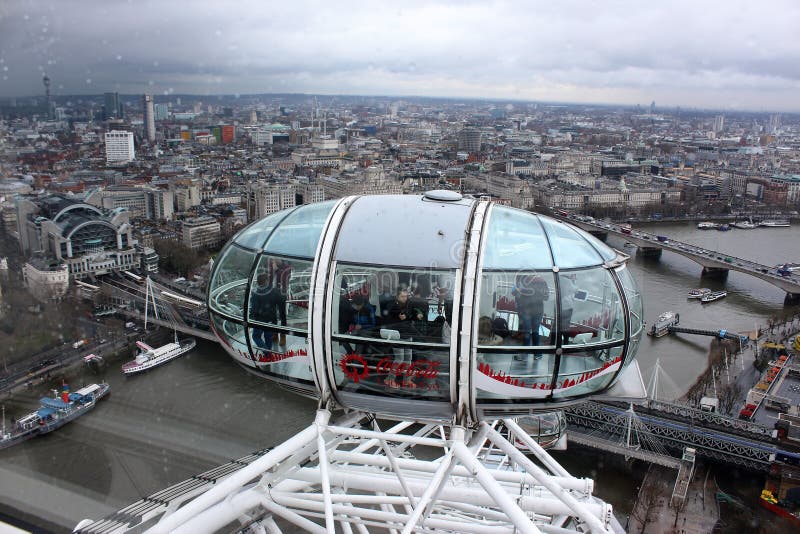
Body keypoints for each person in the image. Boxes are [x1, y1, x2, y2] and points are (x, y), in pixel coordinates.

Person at [385, 286, 423, 388]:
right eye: (402, 296)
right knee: (399, 359)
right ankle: (389, 379)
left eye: (405, 296)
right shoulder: (392, 305)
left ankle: (406, 380)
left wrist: (418, 314)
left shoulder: (409, 303)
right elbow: (400, 314)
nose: (404, 298)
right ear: (397, 296)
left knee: (408, 359)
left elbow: (413, 312)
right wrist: (407, 315)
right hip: (397, 336)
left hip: (407, 334)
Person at [512, 273, 549, 359]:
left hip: (527, 310)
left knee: (527, 332)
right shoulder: (542, 281)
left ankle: (525, 355)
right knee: (535, 331)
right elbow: (546, 297)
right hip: (538, 310)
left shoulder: (522, 280)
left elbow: (514, 292)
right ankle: (537, 354)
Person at [249, 273, 287, 350]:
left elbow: (254, 308)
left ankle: (267, 353)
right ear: (266, 281)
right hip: (271, 319)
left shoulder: (255, 292)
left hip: (260, 320)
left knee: (256, 336)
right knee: (268, 337)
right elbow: (282, 299)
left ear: (258, 282)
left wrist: (251, 317)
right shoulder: (274, 291)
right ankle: (268, 352)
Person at [559, 272, 577, 346]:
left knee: (557, 325)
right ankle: (565, 343)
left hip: (558, 306)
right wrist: (573, 281)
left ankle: (555, 342)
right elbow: (576, 290)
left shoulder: (559, 278)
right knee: (565, 326)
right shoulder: (568, 281)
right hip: (567, 306)